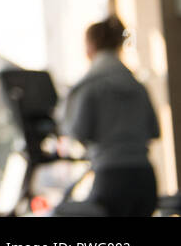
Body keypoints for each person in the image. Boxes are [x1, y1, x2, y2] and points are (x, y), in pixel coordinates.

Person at [60, 15, 161, 216]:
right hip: (145, 177)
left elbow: (77, 131)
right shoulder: (137, 85)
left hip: (112, 178)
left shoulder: (89, 87)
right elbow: (154, 131)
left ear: (90, 46)